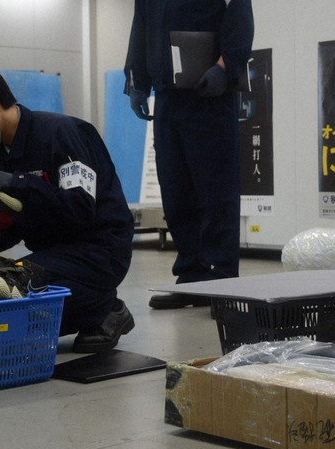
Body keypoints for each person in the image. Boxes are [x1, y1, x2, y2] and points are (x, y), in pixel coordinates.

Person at [0, 60, 135, 354]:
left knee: (16, 287)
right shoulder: (1, 156)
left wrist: (19, 182)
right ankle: (90, 305)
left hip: (99, 251)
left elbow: (80, 210)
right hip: (53, 256)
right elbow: (17, 228)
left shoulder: (64, 133)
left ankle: (105, 309)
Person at [124, 0, 254, 309]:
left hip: (210, 96)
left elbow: (240, 17)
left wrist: (225, 67)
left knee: (216, 192)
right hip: (168, 97)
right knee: (176, 191)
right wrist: (137, 83)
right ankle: (190, 277)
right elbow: (140, 28)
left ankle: (223, 279)